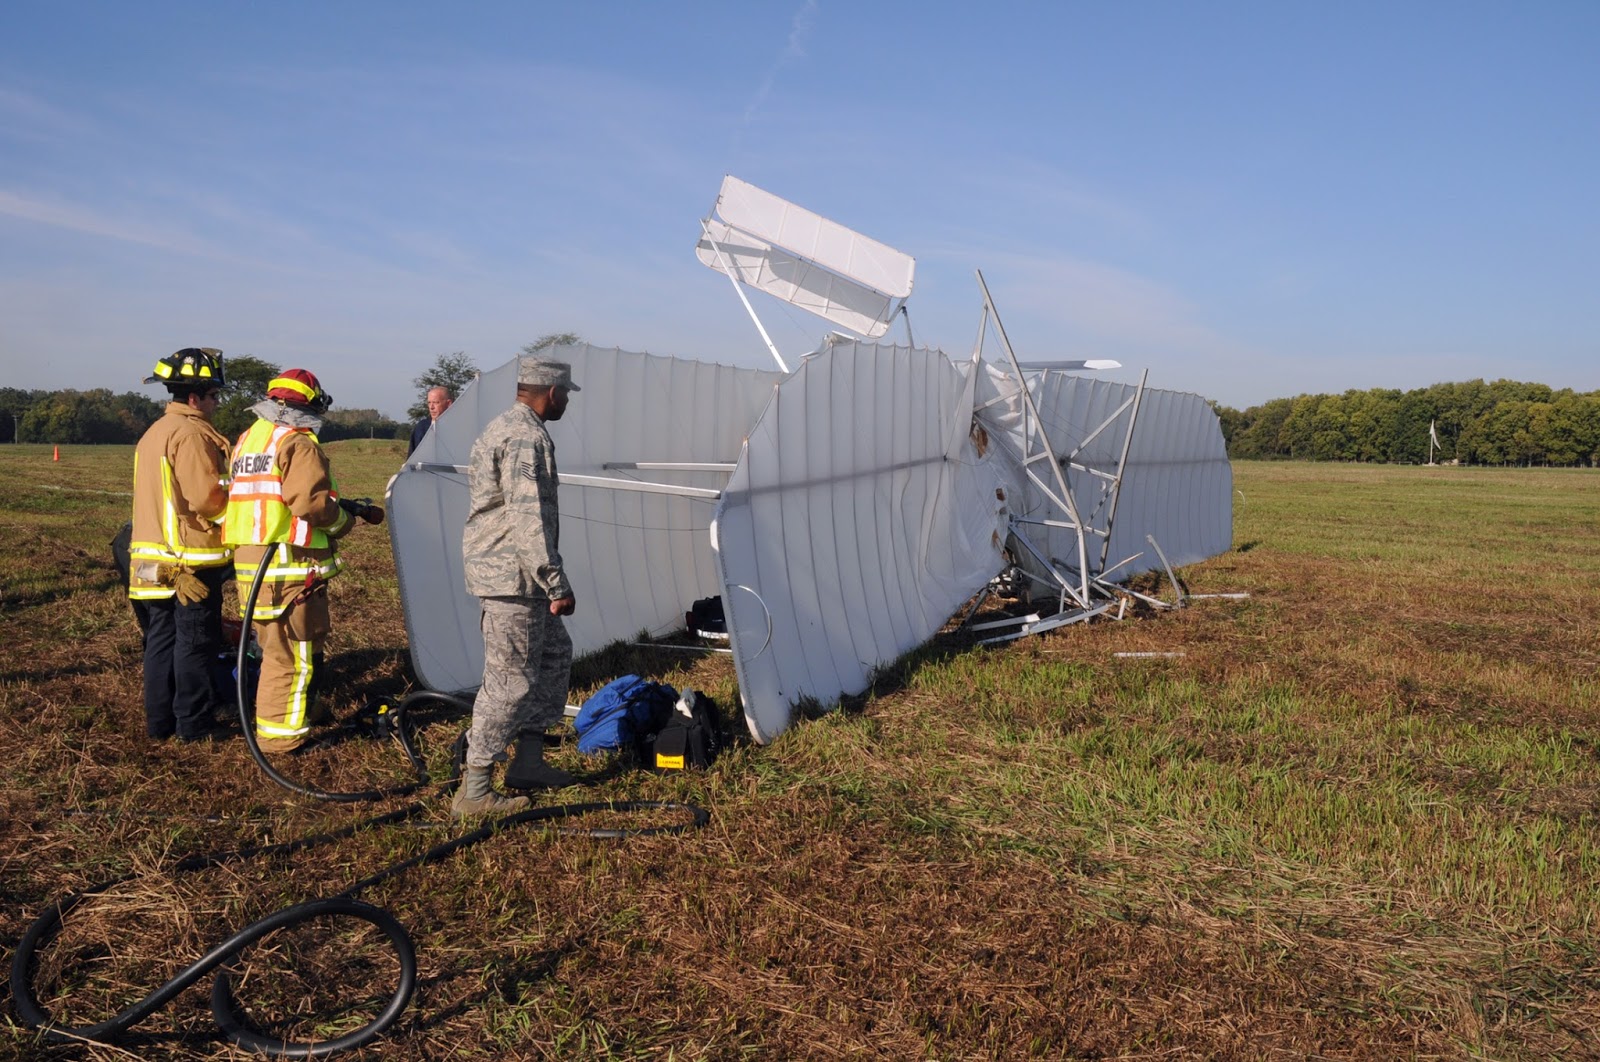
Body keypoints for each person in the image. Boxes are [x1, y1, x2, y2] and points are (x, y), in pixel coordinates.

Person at [454, 357, 581, 816]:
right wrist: (555, 583)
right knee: (510, 683)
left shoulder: (511, 427)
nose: (566, 401)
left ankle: (529, 761)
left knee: (552, 657)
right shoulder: (525, 436)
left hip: (517, 575)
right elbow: (527, 519)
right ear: (551, 392)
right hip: (515, 577)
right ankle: (475, 789)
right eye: (566, 394)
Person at [224, 369, 368, 752]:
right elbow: (309, 503)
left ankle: (299, 711)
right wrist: (342, 522)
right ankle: (282, 741)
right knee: (292, 656)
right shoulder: (298, 443)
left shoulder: (249, 439)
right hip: (290, 570)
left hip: (254, 569)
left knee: (275, 649)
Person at [130, 348, 235, 742]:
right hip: (188, 562)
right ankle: (194, 724)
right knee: (195, 642)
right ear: (195, 398)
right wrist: (239, 520)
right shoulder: (190, 434)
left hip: (150, 562)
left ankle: (161, 724)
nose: (216, 402)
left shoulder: (153, 433)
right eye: (213, 395)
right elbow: (206, 497)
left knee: (160, 640)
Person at [407, 385, 453, 456]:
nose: (431, 407)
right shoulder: (421, 428)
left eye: (436, 402)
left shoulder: (459, 428)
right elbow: (411, 458)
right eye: (429, 402)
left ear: (448, 403)